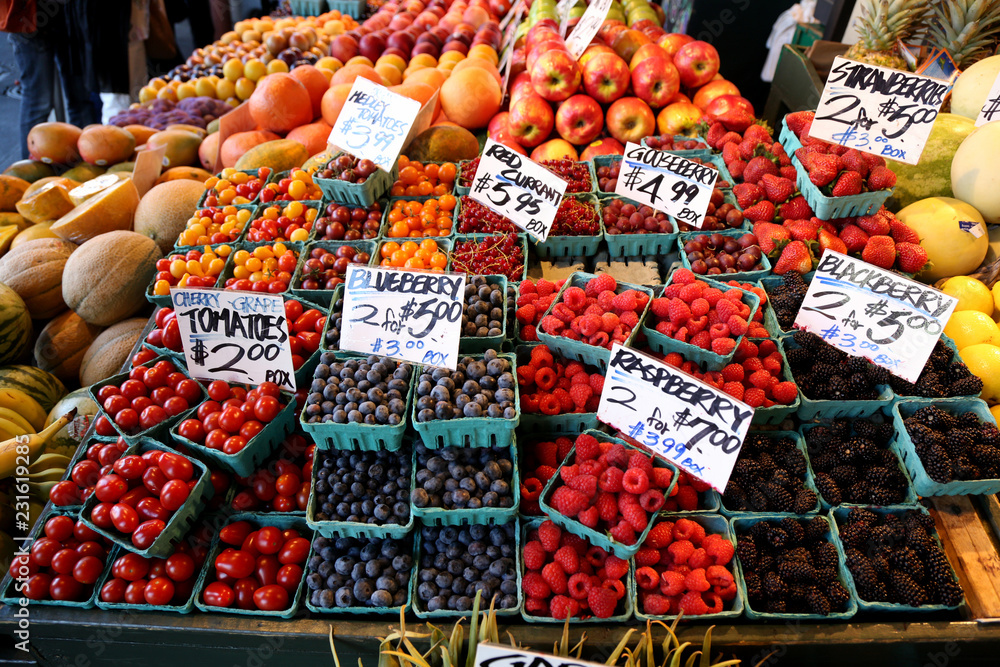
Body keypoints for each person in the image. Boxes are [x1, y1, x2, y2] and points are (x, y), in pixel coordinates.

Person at [2, 0, 100, 159]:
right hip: (32, 20)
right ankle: (30, 173)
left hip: (69, 16)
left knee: (80, 97)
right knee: (39, 102)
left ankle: (87, 162)